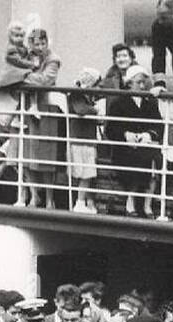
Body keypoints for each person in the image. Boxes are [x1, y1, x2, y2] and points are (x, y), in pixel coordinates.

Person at [106, 66, 165, 218]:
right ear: (129, 83)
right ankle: (130, 202)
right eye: (138, 82)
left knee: (154, 158)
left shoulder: (150, 102)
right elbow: (111, 129)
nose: (142, 86)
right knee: (133, 159)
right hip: (126, 147)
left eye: (144, 82)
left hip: (145, 144)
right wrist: (126, 135)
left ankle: (147, 204)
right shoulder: (118, 102)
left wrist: (149, 135)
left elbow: (159, 125)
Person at [21, 28, 63, 210]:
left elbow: (45, 81)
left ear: (47, 42)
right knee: (28, 153)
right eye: (35, 44)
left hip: (46, 108)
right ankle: (34, 196)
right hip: (26, 108)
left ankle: (50, 199)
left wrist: (22, 76)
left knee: (46, 155)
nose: (39, 47)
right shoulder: (27, 56)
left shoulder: (53, 59)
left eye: (42, 43)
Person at [68, 68, 104, 214]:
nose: (98, 88)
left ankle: (87, 201)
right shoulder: (77, 94)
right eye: (96, 85)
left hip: (87, 139)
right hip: (80, 139)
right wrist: (96, 110)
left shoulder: (87, 96)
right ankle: (80, 202)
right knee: (85, 172)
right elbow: (80, 110)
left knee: (88, 172)